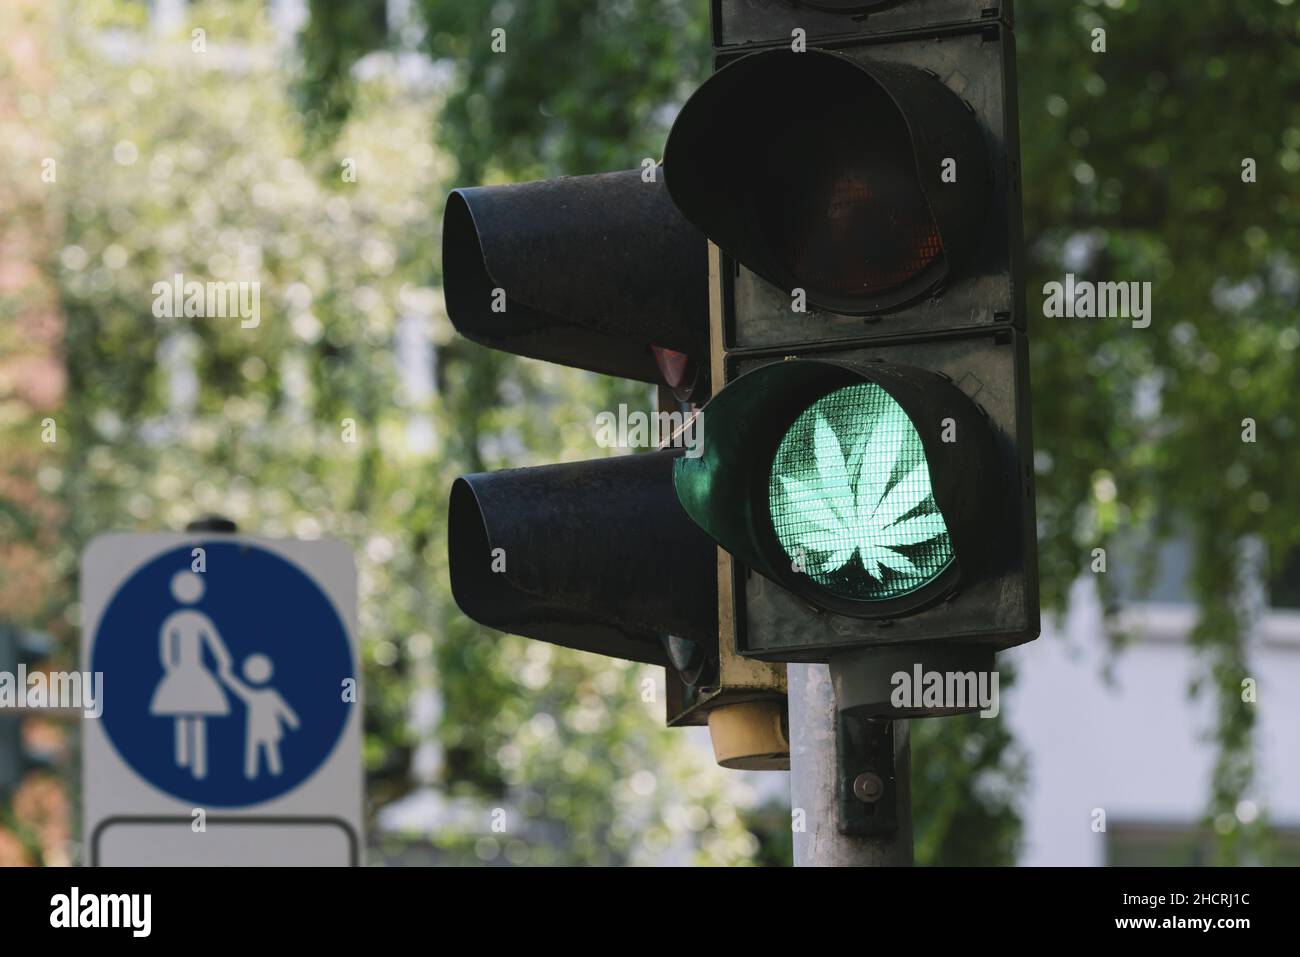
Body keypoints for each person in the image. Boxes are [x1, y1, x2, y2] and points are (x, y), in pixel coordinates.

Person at [148, 570, 233, 780]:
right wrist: (223, 661)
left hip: (190, 671)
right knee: (187, 714)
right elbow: (167, 649)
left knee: (195, 713)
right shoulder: (179, 621)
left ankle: (195, 764)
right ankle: (184, 763)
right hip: (184, 671)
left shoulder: (191, 620)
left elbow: (213, 644)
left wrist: (223, 660)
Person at [219, 653, 299, 779]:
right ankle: (252, 773)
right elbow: (237, 688)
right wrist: (226, 676)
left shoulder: (268, 695)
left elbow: (282, 709)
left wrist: (292, 720)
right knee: (253, 751)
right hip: (256, 728)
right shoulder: (254, 695)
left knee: (270, 750)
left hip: (268, 727)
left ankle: (272, 772)